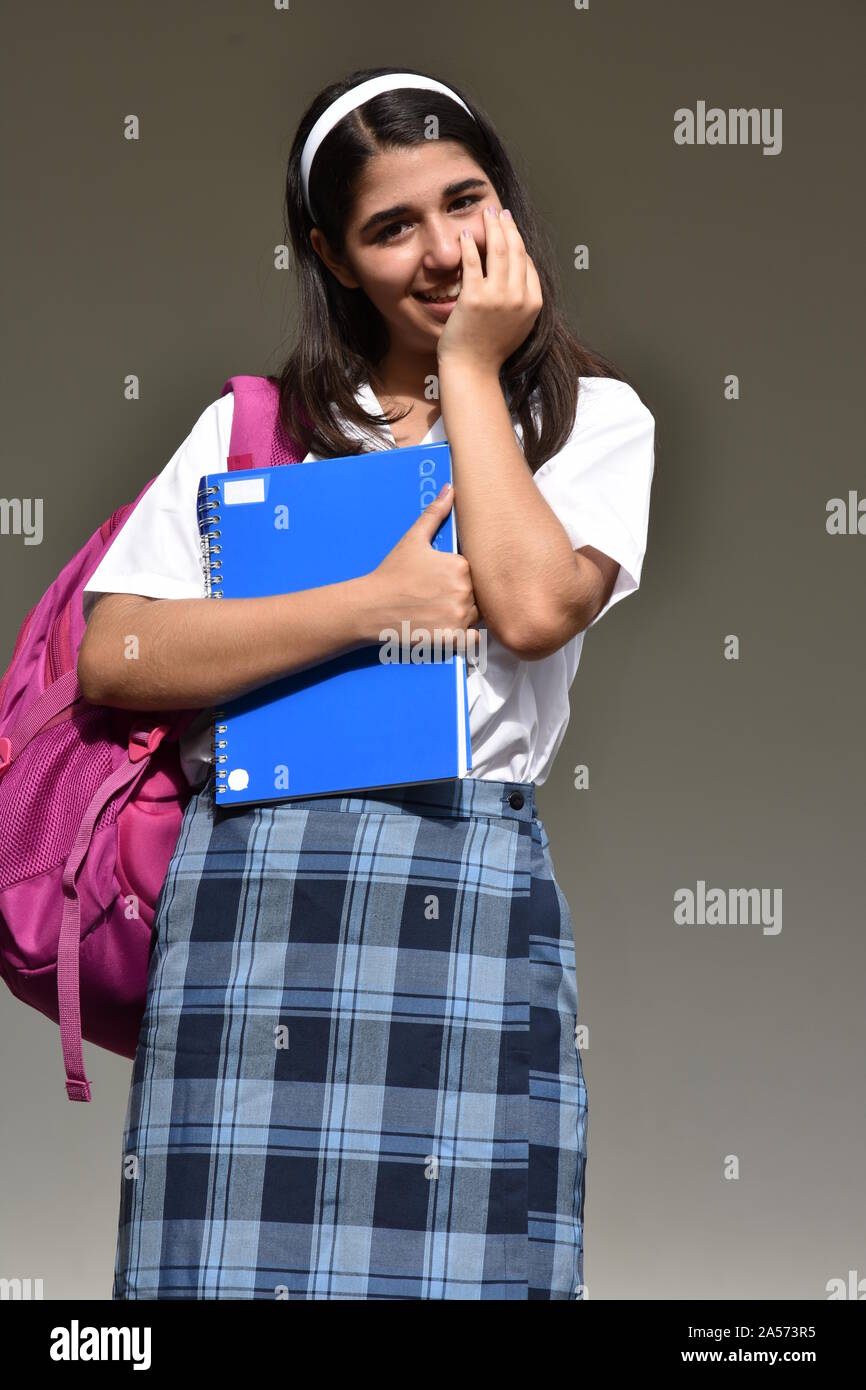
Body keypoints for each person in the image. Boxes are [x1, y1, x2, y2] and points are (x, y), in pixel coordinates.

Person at [78, 66, 656, 1301]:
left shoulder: (590, 420)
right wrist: (368, 607)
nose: (444, 250)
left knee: (465, 1271)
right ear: (331, 257)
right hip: (252, 896)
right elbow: (114, 653)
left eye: (466, 201)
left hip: (464, 880)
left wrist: (468, 374)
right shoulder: (259, 422)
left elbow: (535, 607)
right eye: (391, 227)